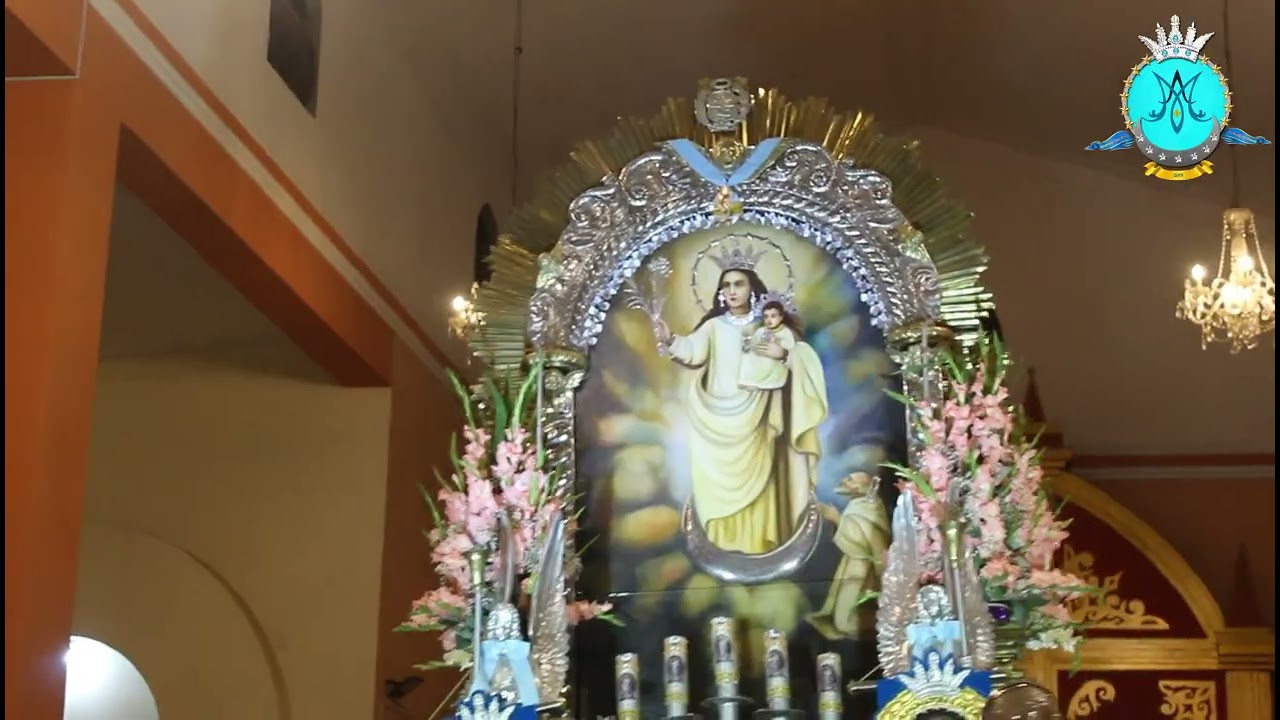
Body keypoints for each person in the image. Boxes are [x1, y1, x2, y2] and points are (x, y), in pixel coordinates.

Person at [654, 259, 829, 555]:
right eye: (726, 285)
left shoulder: (769, 325)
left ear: (752, 289)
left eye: (739, 284)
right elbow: (692, 351)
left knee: (765, 477)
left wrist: (784, 354)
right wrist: (669, 338)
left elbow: (800, 358)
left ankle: (762, 543)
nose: (732, 291)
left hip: (761, 415)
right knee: (717, 484)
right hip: (717, 420)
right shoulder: (713, 326)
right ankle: (722, 547)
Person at [808, 472, 891, 640]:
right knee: (841, 618)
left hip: (861, 568)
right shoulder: (859, 503)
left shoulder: (869, 506)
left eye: (849, 479)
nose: (843, 480)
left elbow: (864, 537)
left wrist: (837, 518)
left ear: (859, 487)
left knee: (844, 622)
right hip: (853, 563)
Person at [738, 298, 800, 391]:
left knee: (766, 361)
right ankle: (747, 381)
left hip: (775, 363)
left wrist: (777, 344)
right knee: (748, 356)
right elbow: (754, 343)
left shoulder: (785, 332)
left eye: (773, 316)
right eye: (766, 316)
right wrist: (748, 344)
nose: (769, 319)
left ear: (781, 317)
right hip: (761, 356)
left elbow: (790, 351)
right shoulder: (761, 330)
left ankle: (762, 383)